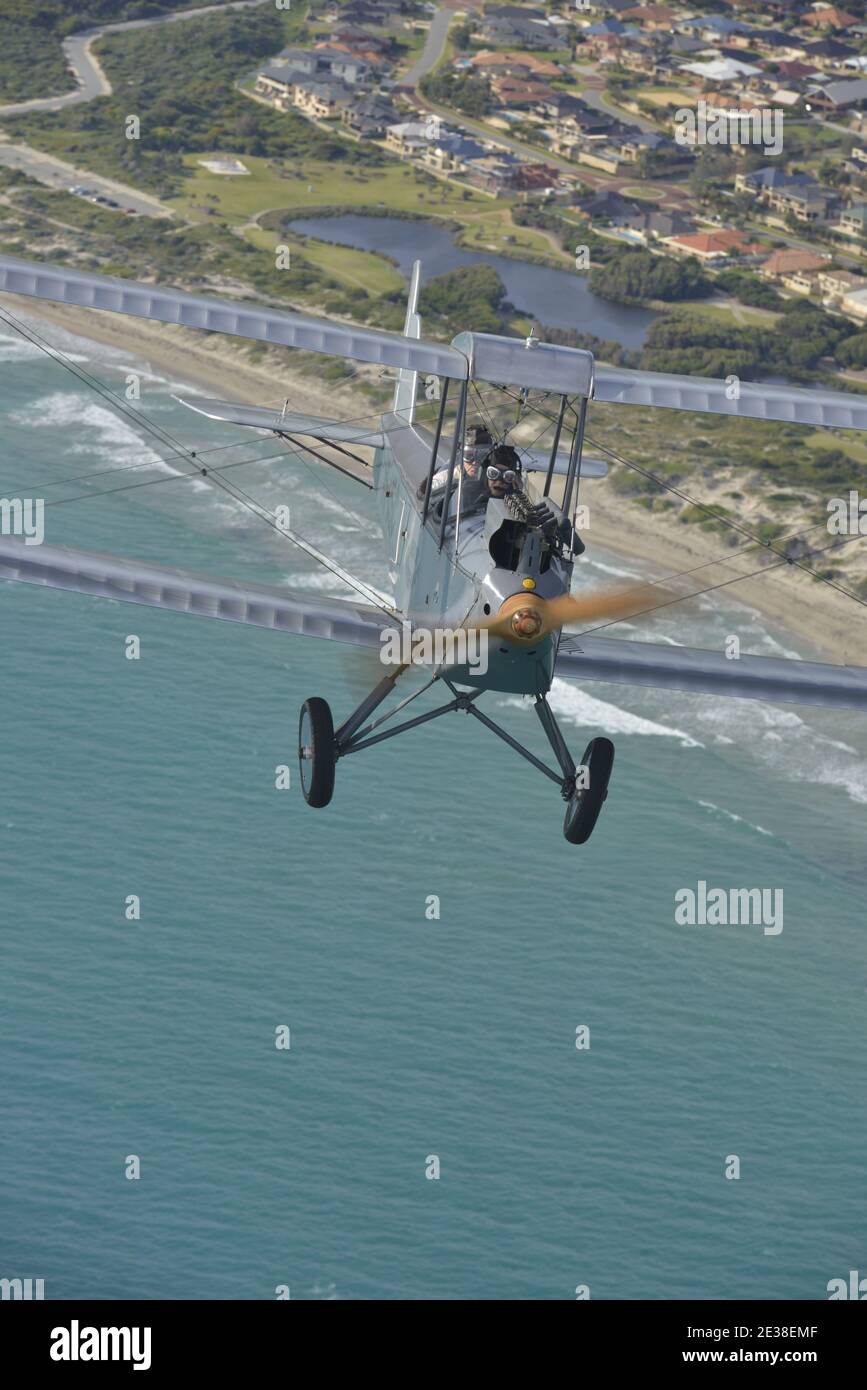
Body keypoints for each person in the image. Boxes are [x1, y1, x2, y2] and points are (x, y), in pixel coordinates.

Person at [417, 424, 492, 505]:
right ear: (462, 455)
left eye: (482, 455)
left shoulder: (492, 472)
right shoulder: (447, 477)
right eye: (469, 455)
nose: (475, 462)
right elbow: (422, 495)